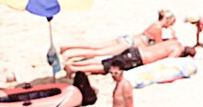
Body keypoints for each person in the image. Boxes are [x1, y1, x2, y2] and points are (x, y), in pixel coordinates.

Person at [60, 11, 176, 60]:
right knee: (98, 52)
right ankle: (70, 55)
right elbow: (158, 45)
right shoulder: (158, 28)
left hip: (128, 39)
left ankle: (67, 47)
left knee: (96, 46)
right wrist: (172, 35)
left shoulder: (154, 24)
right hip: (129, 43)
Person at [64, 38, 193, 76]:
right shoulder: (177, 49)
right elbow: (167, 62)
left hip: (135, 50)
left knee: (106, 62)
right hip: (137, 59)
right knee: (106, 67)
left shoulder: (175, 42)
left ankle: (74, 65)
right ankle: (74, 67)